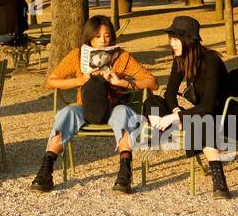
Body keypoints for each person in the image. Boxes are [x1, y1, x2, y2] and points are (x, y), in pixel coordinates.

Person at [30, 15, 156, 193]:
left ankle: (125, 171)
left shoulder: (122, 57)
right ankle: (47, 168)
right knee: (67, 113)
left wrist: (121, 83)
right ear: (89, 37)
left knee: (122, 113)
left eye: (107, 35)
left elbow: (152, 82)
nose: (103, 40)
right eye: (97, 36)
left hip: (113, 108)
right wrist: (79, 80)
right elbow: (52, 81)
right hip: (85, 107)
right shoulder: (77, 55)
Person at [153, 15, 233, 199]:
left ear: (188, 39)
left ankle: (219, 180)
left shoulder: (211, 61)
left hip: (220, 116)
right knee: (153, 102)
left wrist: (177, 118)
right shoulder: (180, 59)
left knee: (201, 120)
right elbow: (170, 93)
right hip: (198, 114)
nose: (171, 43)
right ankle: (156, 135)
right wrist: (176, 111)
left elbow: (208, 105)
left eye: (175, 39)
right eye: (170, 39)